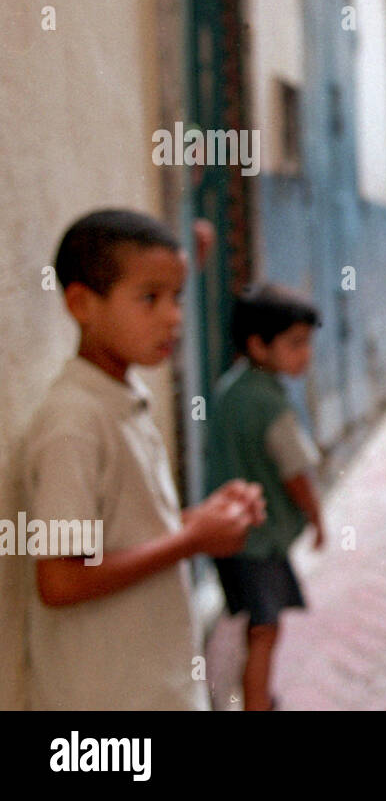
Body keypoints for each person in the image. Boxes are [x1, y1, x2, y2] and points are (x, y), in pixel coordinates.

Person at [7, 208, 265, 710]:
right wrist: (191, 538)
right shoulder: (73, 423)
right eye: (149, 298)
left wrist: (203, 519)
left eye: (176, 297)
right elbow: (61, 578)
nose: (173, 317)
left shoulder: (119, 394)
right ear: (81, 303)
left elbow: (128, 534)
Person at [205, 282, 324, 711]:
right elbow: (295, 471)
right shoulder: (271, 403)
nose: (305, 354)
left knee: (249, 623)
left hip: (228, 535)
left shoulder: (229, 391)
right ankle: (257, 702)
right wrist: (317, 516)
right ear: (258, 345)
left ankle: (249, 695)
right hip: (260, 539)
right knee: (265, 629)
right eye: (295, 344)